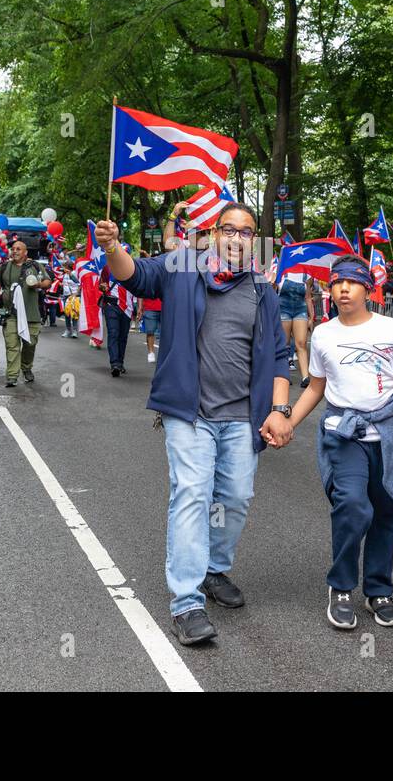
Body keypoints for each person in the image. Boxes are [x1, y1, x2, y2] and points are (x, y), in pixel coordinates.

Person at [95, 202, 293, 647]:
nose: (237, 238)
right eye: (229, 230)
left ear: (256, 239)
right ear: (214, 232)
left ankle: (214, 569)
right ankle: (186, 601)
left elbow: (278, 356)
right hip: (190, 413)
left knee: (236, 496)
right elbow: (136, 275)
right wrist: (112, 248)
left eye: (247, 232)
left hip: (243, 415)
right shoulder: (183, 267)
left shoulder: (262, 288)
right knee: (191, 493)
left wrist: (280, 412)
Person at [287, 255, 393, 630]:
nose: (343, 289)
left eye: (351, 282)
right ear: (329, 289)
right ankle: (341, 587)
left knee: (385, 512)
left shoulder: (390, 329)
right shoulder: (323, 334)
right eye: (337, 283)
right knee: (352, 505)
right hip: (344, 433)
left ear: (367, 287)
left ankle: (379, 590)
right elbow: (316, 386)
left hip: (387, 433)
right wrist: (289, 423)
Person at [0, 237, 50, 387]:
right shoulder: (3, 267)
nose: (15, 251)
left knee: (30, 345)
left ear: (25, 252)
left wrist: (38, 284)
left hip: (31, 314)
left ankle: (26, 368)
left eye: (18, 249)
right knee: (12, 345)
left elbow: (47, 282)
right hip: (10, 314)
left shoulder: (35, 266)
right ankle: (12, 375)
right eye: (13, 249)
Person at [278, 266, 313, 387]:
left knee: (301, 343)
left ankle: (305, 377)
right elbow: (272, 291)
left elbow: (308, 297)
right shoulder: (281, 270)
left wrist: (311, 317)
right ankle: (283, 376)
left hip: (300, 309)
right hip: (283, 309)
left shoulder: (307, 274)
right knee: (284, 344)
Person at [99, 267, 135, 376]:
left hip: (127, 307)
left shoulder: (133, 269)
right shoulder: (107, 268)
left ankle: (120, 363)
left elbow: (137, 289)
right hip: (112, 305)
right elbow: (101, 283)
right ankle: (114, 363)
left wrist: (140, 307)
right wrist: (102, 287)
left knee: (123, 336)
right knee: (113, 333)